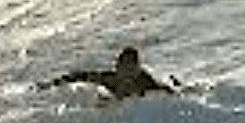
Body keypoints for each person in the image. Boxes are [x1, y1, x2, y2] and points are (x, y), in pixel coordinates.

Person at [37, 46, 176, 100]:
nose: (128, 75)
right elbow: (79, 76)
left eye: (132, 70)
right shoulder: (110, 79)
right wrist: (51, 84)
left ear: (137, 70)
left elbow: (167, 90)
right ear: (117, 68)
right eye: (125, 69)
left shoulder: (144, 81)